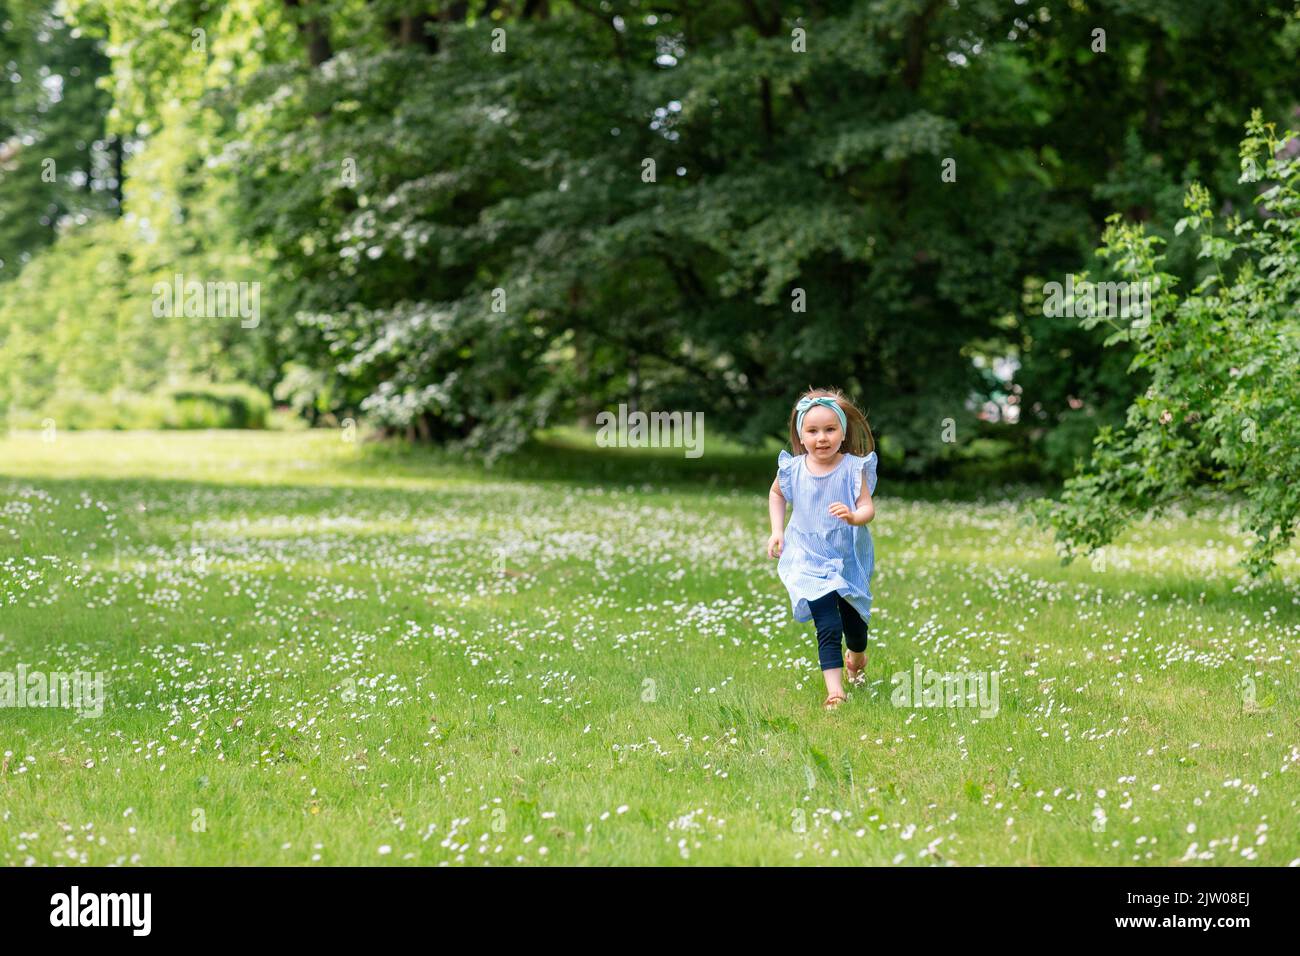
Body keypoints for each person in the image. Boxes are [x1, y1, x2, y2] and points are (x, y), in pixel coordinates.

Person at [767, 388, 879, 710]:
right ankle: (835, 692)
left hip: (847, 558)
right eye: (813, 431)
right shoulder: (793, 469)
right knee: (827, 625)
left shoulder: (852, 468)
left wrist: (855, 516)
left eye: (830, 429)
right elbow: (777, 495)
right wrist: (777, 530)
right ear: (800, 435)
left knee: (855, 628)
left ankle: (856, 658)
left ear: (843, 432)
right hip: (807, 556)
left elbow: (867, 507)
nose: (822, 438)